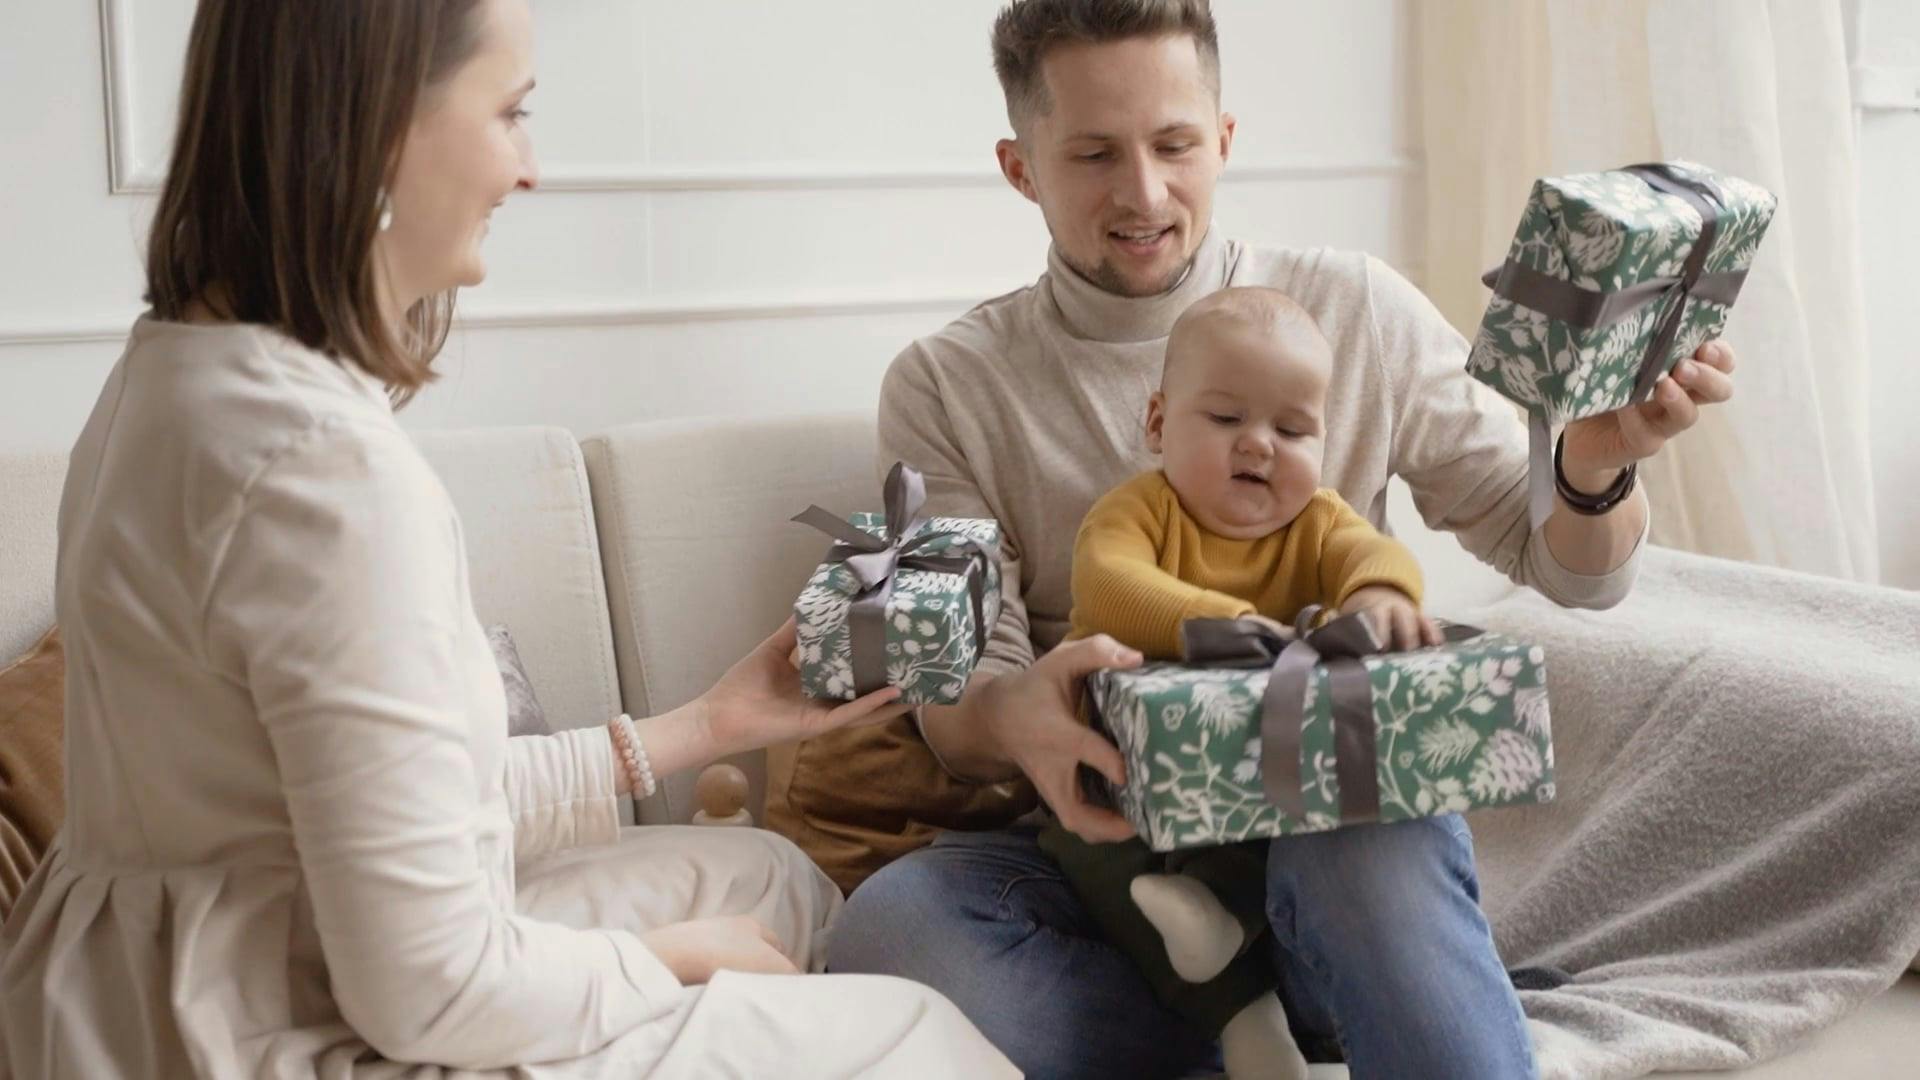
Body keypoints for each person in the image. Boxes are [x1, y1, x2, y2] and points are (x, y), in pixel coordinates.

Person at [0, 2, 1015, 1077]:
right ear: (380, 126)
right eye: (510, 114)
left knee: (773, 879)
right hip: (254, 1032)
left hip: (138, 983)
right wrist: (659, 962)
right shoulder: (324, 476)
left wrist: (702, 726)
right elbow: (432, 991)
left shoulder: (168, 371)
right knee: (924, 1039)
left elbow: (383, 805)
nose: (528, 170)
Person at [788, 2, 1737, 1076]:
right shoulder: (945, 385)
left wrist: (1597, 464)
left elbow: (1569, 568)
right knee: (897, 928)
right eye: (1094, 155)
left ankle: (1295, 993)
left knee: (1370, 835)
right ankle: (1300, 1005)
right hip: (1118, 849)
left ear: (1224, 139)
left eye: (1175, 145)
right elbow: (958, 716)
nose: (1145, 194)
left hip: (1329, 800)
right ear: (1021, 168)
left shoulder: (1356, 308)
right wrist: (1021, 712)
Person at [1040, 285, 1458, 1080]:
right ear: (1158, 423)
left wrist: (1379, 595)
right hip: (1131, 785)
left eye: (1293, 430)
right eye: (1227, 418)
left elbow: (1372, 553)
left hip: (1272, 783)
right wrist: (1229, 623)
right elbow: (1112, 585)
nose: (1260, 445)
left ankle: (1236, 935)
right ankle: (1242, 1016)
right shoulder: (1138, 513)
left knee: (1305, 825)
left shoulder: (1318, 522)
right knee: (1091, 850)